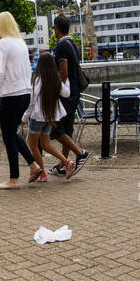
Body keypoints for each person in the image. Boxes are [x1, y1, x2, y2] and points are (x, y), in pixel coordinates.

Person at [0, 12, 40, 190]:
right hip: (25, 94)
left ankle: (14, 178)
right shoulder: (21, 43)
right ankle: (33, 166)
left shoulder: (2, 44)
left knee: (8, 136)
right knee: (11, 134)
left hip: (11, 95)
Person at [48, 15, 90, 176]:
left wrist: (52, 85)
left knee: (55, 128)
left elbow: (64, 73)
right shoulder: (72, 44)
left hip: (66, 94)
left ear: (57, 29)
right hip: (76, 92)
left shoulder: (61, 47)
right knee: (67, 129)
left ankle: (80, 153)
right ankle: (63, 165)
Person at [24, 52, 76, 182]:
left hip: (38, 117)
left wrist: (24, 117)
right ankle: (67, 162)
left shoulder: (38, 79)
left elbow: (32, 101)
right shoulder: (56, 79)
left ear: (40, 65)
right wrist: (66, 78)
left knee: (33, 145)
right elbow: (66, 93)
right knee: (46, 145)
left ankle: (41, 173)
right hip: (50, 117)